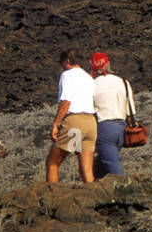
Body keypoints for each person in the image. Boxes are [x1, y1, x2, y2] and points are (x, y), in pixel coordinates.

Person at [46, 48, 97, 183]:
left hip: (75, 122)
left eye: (62, 62)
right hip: (91, 123)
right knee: (87, 170)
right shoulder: (89, 78)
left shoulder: (67, 75)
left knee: (52, 164)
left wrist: (55, 124)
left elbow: (66, 102)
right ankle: (93, 199)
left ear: (67, 61)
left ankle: (51, 198)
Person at [91, 51, 135, 178]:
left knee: (116, 172)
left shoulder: (92, 84)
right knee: (100, 168)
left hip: (104, 128)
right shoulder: (123, 82)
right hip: (121, 128)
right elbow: (130, 110)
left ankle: (129, 193)